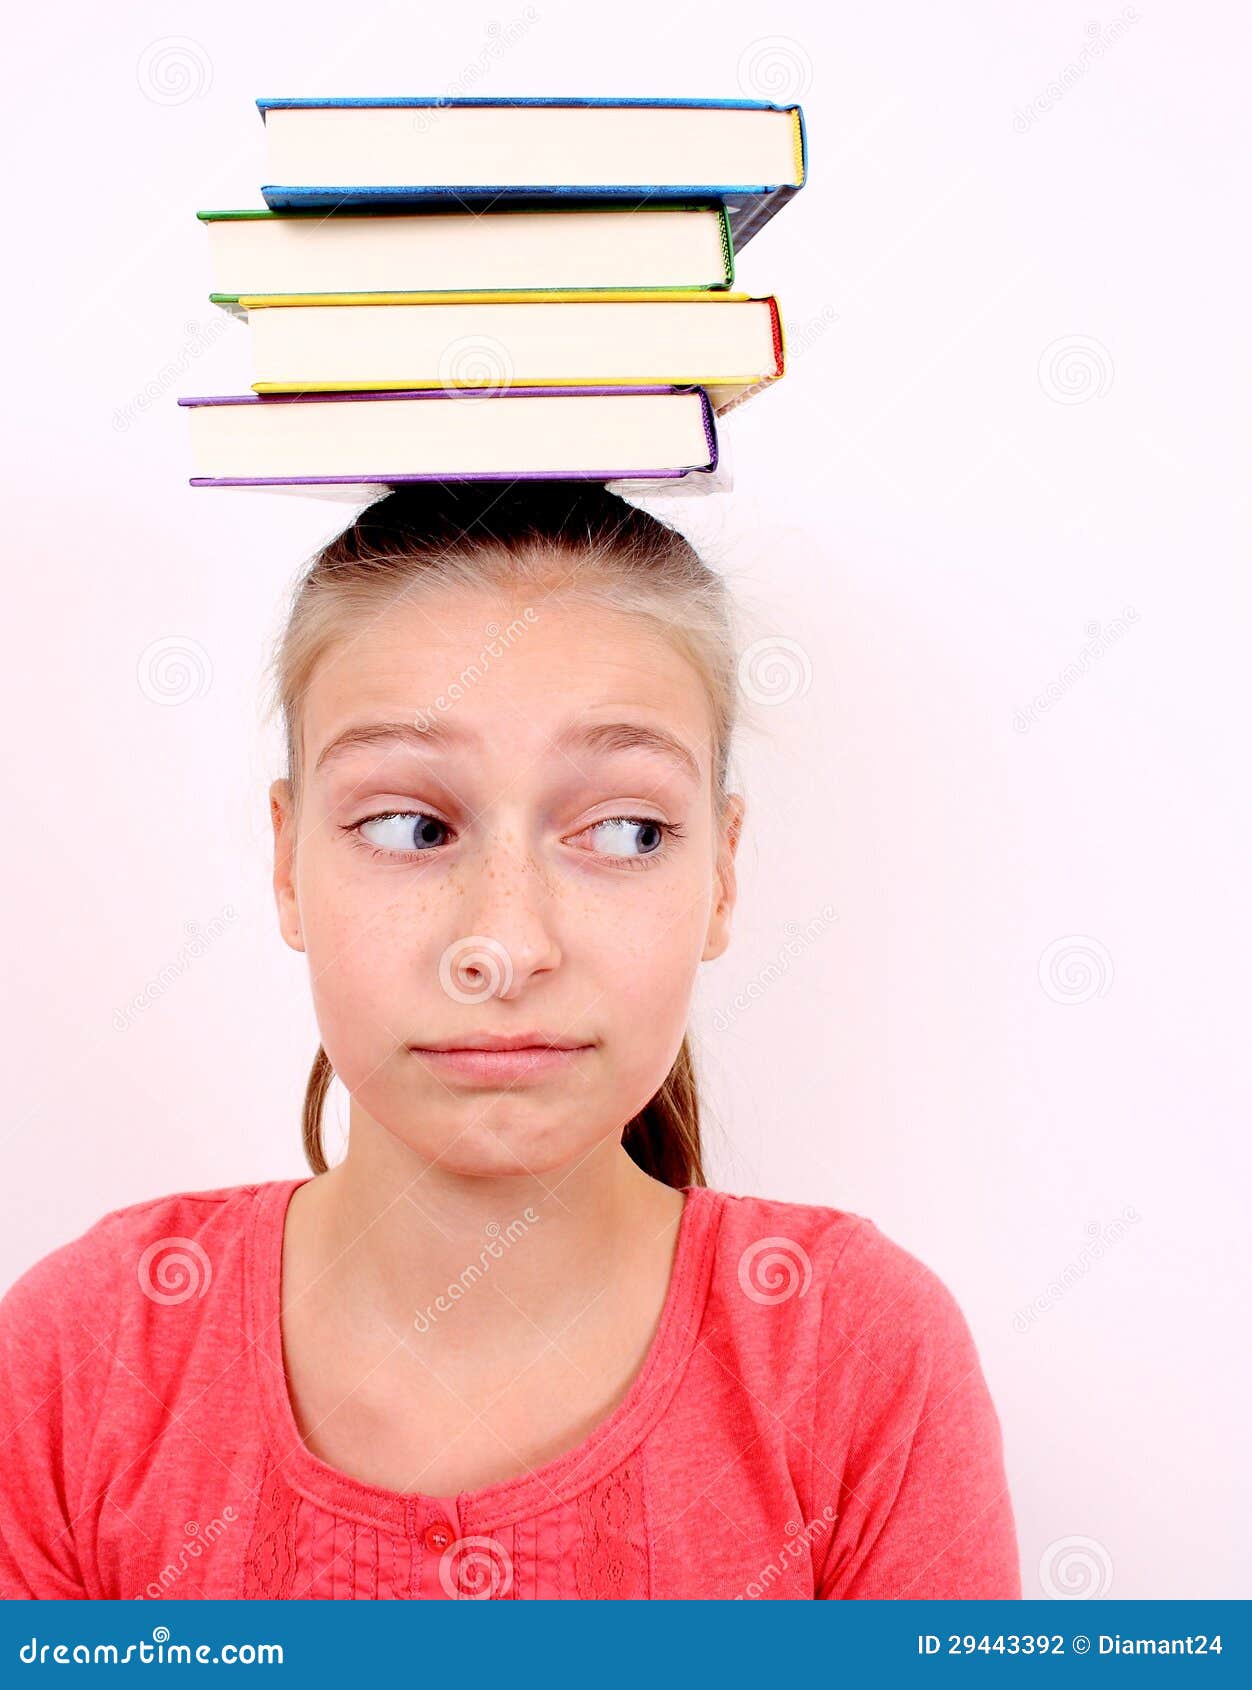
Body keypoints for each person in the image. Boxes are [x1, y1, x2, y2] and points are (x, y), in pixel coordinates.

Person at [0, 482, 1020, 1600]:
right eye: (409, 826)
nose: (503, 944)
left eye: (625, 830)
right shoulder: (81, 1360)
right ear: (287, 861)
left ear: (722, 874)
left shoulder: (856, 1358)